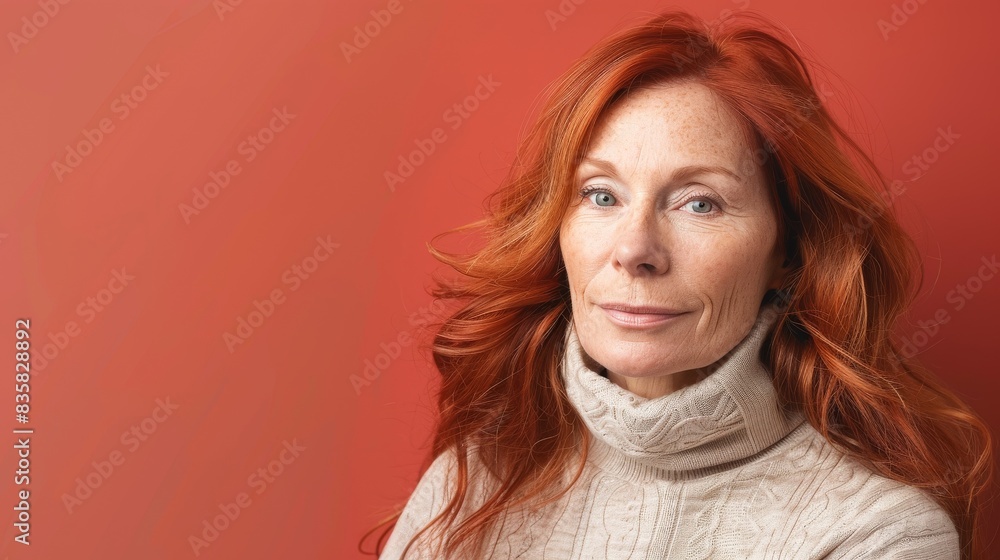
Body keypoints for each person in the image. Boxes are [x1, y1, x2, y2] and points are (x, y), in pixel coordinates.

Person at [364, 9, 993, 559]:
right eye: (600, 194)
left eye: (700, 204)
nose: (635, 249)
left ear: (790, 250)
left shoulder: (874, 534)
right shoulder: (476, 479)